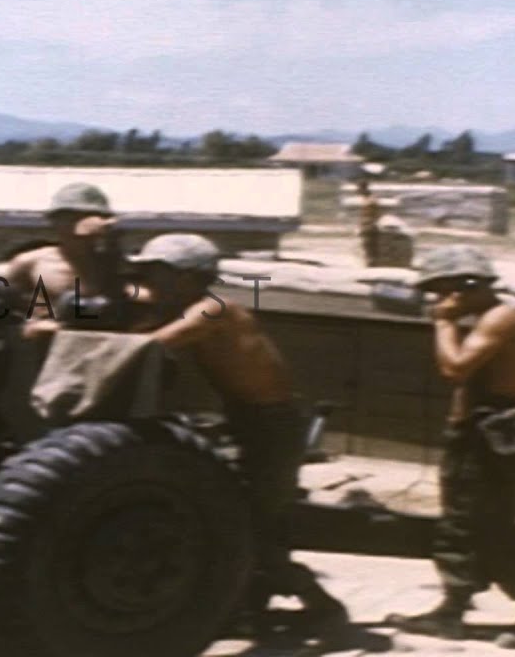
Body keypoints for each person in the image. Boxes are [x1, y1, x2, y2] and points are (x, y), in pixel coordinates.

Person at [125, 233, 351, 644]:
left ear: (190, 278)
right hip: (251, 421)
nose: (150, 280)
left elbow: (156, 343)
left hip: (273, 427)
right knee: (245, 517)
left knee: (256, 524)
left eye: (158, 272)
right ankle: (251, 613)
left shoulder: (214, 310)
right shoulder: (193, 306)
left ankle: (326, 611)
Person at [385, 245, 515, 649]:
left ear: (470, 286)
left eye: (444, 292)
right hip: (475, 438)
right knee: (461, 525)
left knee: (489, 526)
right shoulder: (485, 318)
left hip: (491, 439)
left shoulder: (501, 319)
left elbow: (455, 368)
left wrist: (442, 325)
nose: (439, 301)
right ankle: (452, 611)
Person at [0, 182, 121, 338]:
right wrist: (29, 326)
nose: (77, 224)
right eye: (68, 217)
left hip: (97, 343)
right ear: (54, 221)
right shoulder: (30, 262)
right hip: (44, 345)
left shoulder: (111, 264)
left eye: (86, 216)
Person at [356, 180, 381, 267]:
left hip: (370, 227)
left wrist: (367, 225)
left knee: (370, 247)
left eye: (358, 189)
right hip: (368, 226)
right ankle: (371, 264)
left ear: (363, 189)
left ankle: (372, 265)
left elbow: (374, 215)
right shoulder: (368, 199)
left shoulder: (371, 200)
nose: (357, 191)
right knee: (367, 247)